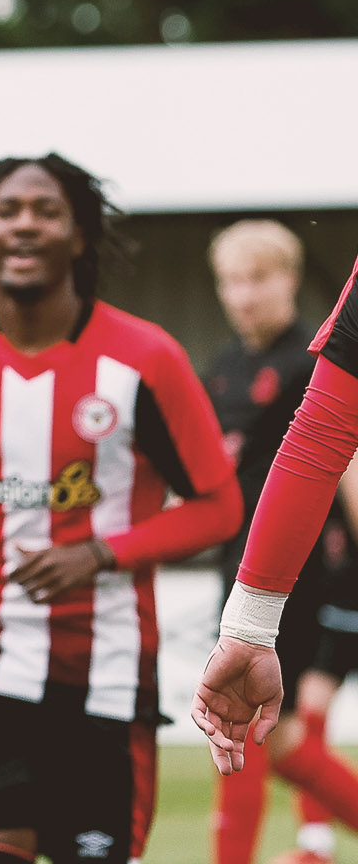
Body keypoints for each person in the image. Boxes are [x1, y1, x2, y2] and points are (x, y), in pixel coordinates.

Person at [0, 154, 242, 864]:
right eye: (6, 211)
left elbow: (220, 507)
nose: (24, 225)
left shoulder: (144, 361)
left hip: (102, 680)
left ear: (79, 236)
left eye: (46, 211)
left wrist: (102, 553)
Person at [204, 221, 358, 864]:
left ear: (291, 280)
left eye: (258, 279)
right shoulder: (222, 370)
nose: (243, 296)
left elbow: (339, 464)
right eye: (231, 282)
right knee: (283, 735)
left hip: (300, 581)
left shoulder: (314, 361)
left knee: (251, 729)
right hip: (238, 573)